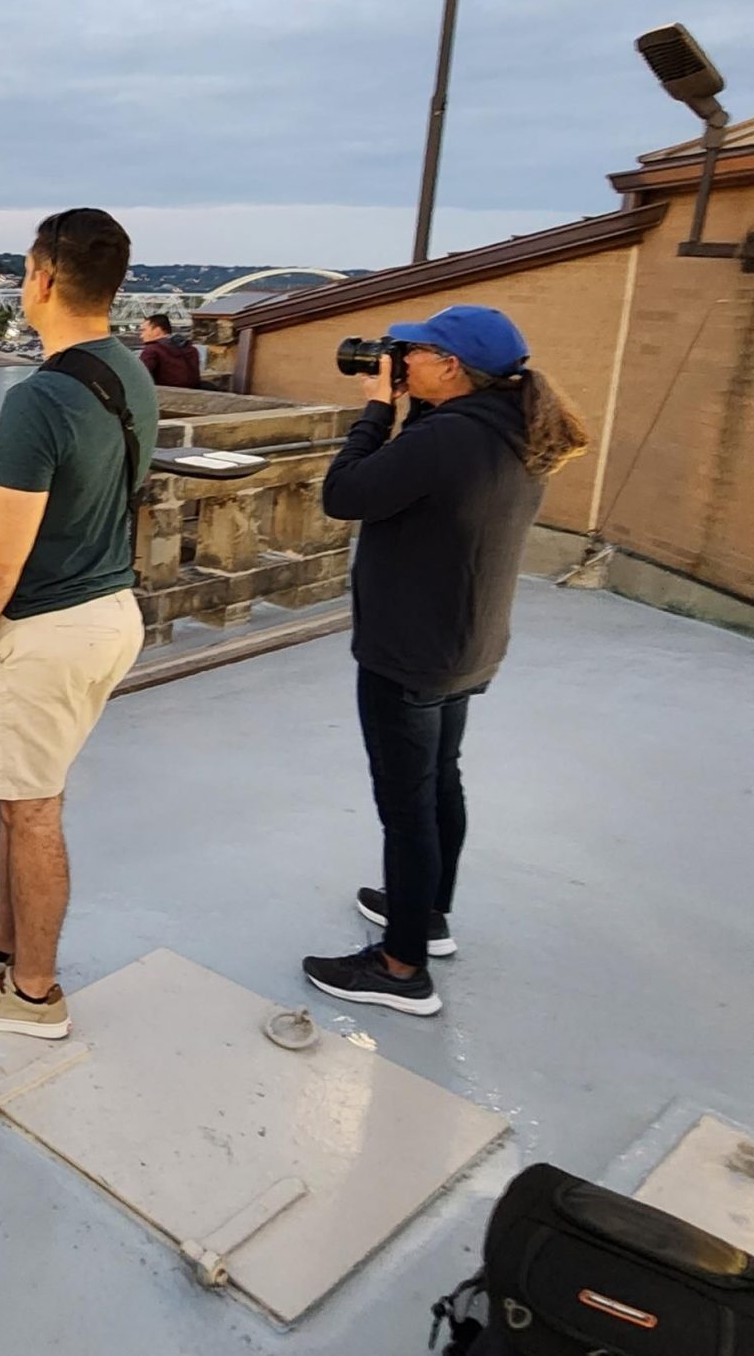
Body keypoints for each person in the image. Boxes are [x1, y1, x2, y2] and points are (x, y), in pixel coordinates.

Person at [302, 304, 589, 1016]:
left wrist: (373, 411)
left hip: (412, 650)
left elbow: (345, 494)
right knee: (439, 785)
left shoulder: (448, 437)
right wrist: (407, 408)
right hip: (466, 642)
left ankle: (401, 969)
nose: (399, 361)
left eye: (411, 351)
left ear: (450, 366)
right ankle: (426, 916)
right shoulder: (515, 428)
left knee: (407, 809)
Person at [0, 208, 156, 1039]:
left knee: (34, 810)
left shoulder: (39, 400)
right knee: (23, 798)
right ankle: (0, 940)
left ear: (44, 281)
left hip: (47, 633)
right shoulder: (129, 371)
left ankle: (34, 990)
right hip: (110, 612)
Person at [138, 311, 202, 388]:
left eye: (144, 330)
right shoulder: (190, 349)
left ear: (157, 331)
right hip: (194, 393)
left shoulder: (152, 350)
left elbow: (140, 375)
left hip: (166, 396)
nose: (141, 335)